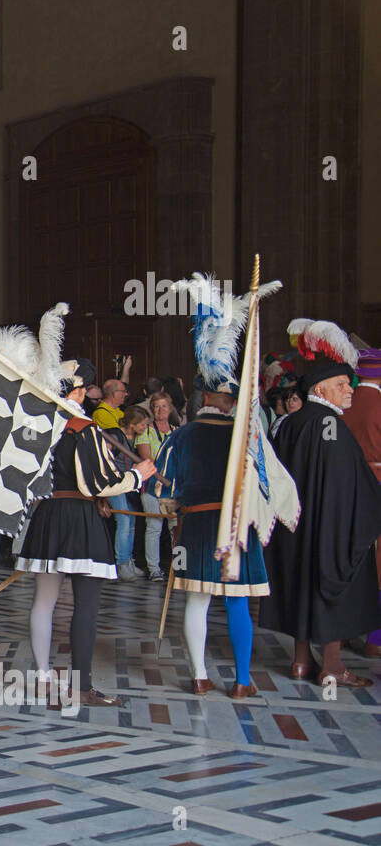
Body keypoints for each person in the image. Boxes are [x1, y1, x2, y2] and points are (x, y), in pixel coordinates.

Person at [156, 277, 296, 697]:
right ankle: (242, 682)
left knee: (196, 600)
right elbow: (266, 478)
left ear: (202, 398)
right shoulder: (248, 435)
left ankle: (199, 677)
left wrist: (170, 503)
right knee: (238, 603)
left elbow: (164, 488)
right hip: (236, 527)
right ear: (233, 400)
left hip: (196, 528)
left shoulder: (180, 436)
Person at [14, 309, 156, 707]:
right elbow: (100, 483)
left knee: (44, 601)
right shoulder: (83, 429)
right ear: (76, 393)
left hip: (45, 516)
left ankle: (43, 677)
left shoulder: (39, 425)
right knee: (86, 606)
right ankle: (81, 685)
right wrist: (139, 475)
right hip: (79, 518)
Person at [265, 320, 381, 688]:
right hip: (330, 526)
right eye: (343, 385)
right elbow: (343, 483)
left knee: (301, 586)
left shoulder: (293, 421)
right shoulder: (330, 425)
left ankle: (301, 661)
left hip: (296, 526)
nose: (350, 391)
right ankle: (332, 666)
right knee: (333, 584)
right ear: (321, 389)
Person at [340, 347, 381, 659]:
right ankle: (375, 640)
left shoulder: (343, 405)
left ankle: (338, 634)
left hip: (346, 487)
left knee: (347, 558)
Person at [104, 405, 150, 580]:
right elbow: (105, 457)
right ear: (132, 424)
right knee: (123, 520)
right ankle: (122, 564)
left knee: (130, 521)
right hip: (116, 484)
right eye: (142, 425)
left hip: (129, 484)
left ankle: (128, 561)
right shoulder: (115, 436)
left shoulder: (132, 439)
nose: (145, 428)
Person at [136, 392, 176, 581]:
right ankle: (154, 568)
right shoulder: (146, 430)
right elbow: (147, 459)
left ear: (171, 408)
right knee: (154, 527)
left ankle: (180, 568)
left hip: (172, 488)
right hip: (152, 486)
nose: (160, 410)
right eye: (156, 407)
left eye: (164, 406)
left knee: (176, 528)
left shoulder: (176, 431)